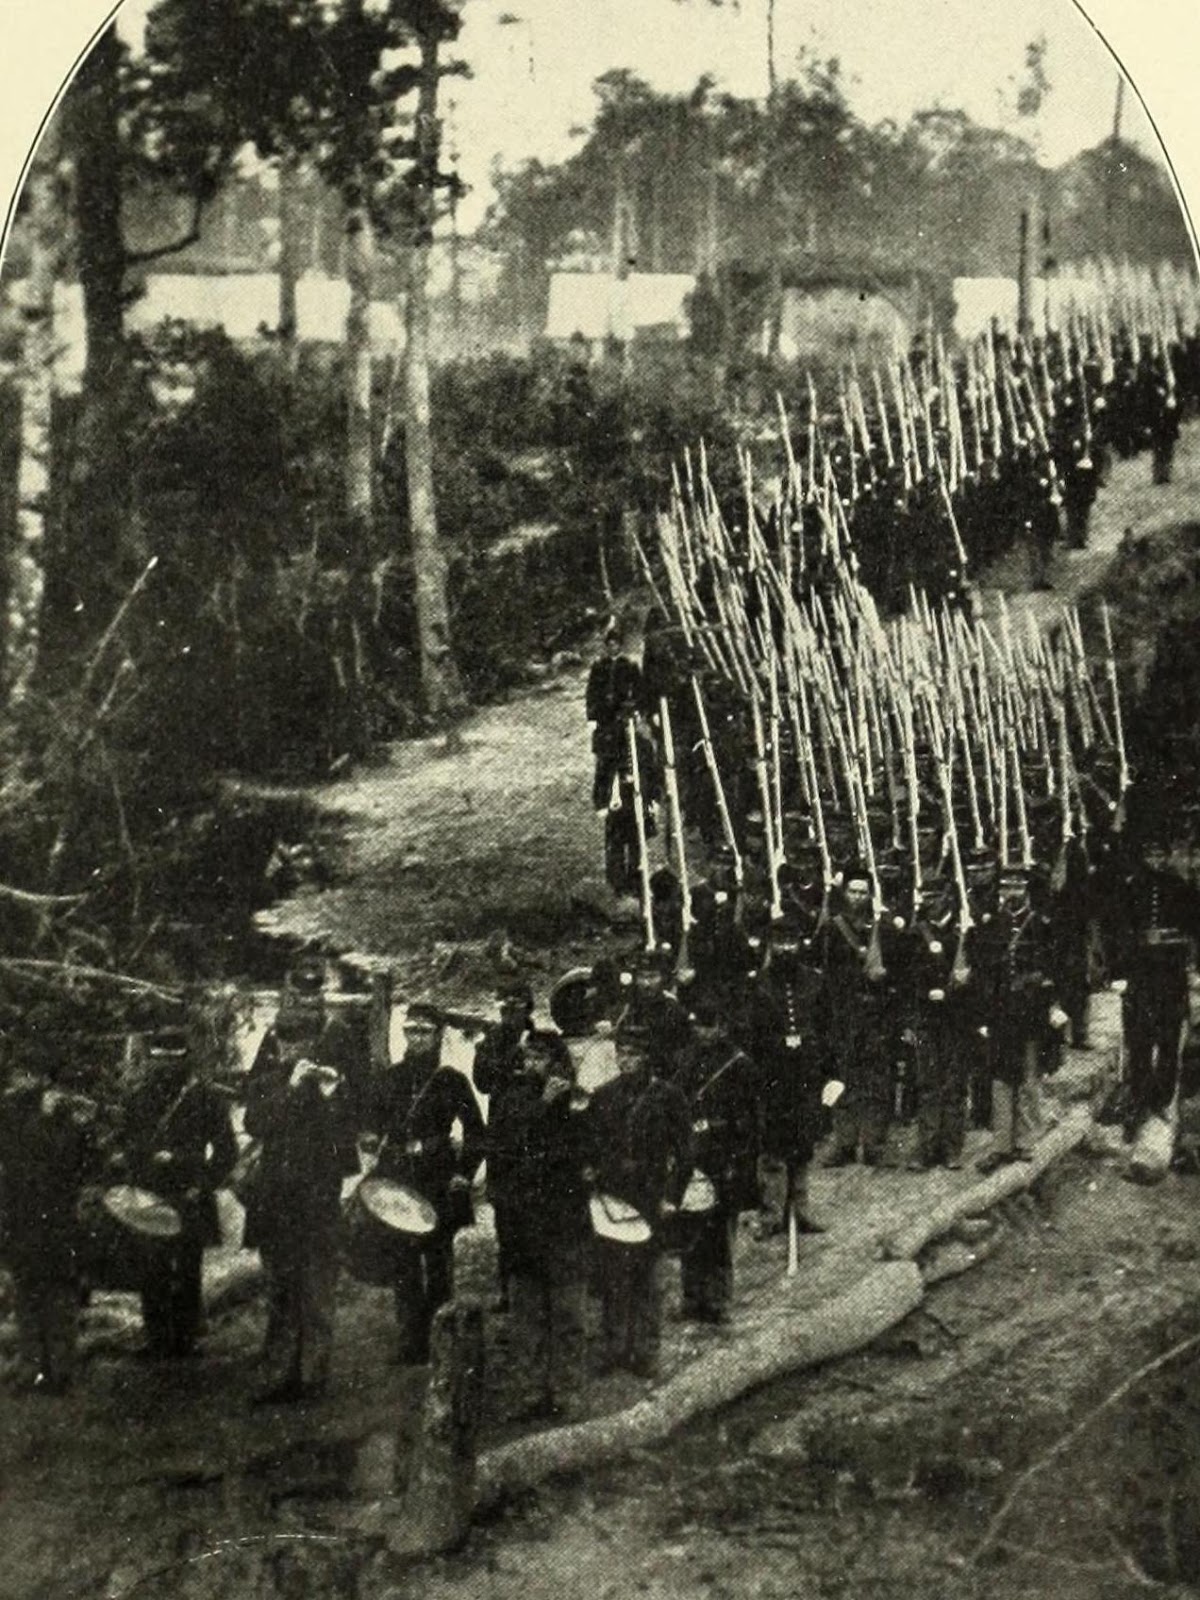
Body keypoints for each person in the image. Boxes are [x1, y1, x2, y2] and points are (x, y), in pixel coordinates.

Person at [244, 1008, 359, 1404]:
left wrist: (331, 1096)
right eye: (287, 1041)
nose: (295, 1049)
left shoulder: (332, 1085)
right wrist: (291, 1090)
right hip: (277, 1207)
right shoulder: (266, 1083)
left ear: (314, 1044)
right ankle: (280, 1376)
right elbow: (255, 1123)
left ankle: (313, 1379)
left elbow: (348, 1145)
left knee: (317, 1294)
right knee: (281, 1294)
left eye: (302, 1042)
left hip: (317, 1206)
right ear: (277, 1044)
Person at [368, 1011, 485, 1365]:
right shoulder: (390, 1078)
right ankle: (409, 1341)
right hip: (399, 1175)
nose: (417, 1038)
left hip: (437, 1178)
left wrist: (464, 1172)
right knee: (402, 1262)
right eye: (411, 1031)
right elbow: (370, 1124)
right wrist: (371, 1138)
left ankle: (439, 1340)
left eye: (425, 1032)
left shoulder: (451, 1080)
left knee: (437, 1262)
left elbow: (477, 1131)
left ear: (438, 1036)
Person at [114, 1026, 237, 1361]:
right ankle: (156, 1340)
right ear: (151, 1058)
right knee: (150, 1270)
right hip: (149, 1194)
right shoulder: (136, 1097)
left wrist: (201, 1179)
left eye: (172, 1060)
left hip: (190, 1193)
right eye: (159, 1059)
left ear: (185, 1059)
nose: (165, 1067)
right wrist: (139, 1162)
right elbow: (124, 1143)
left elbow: (227, 1151)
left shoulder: (206, 1097)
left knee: (186, 1269)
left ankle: (184, 1341)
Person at [585, 1022, 692, 1379]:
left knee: (648, 1276)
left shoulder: (669, 1097)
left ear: (647, 1057)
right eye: (621, 1054)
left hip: (651, 1194)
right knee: (613, 1274)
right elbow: (590, 1146)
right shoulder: (602, 1096)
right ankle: (614, 1347)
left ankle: (646, 1351)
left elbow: (686, 1153)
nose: (625, 1060)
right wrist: (592, 1175)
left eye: (632, 1054)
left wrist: (672, 1197)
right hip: (614, 1197)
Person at [495, 1030, 592, 1420]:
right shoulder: (511, 1099)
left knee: (569, 1312)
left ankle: (567, 1391)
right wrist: (543, 1103)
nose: (533, 1064)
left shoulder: (576, 1099)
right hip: (524, 1221)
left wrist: (565, 1104)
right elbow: (508, 1144)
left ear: (557, 1060)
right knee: (527, 1315)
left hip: (564, 1219)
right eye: (529, 1057)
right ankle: (530, 1392)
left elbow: (587, 1148)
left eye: (542, 1057)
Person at [0, 1056, 98, 1393]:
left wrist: (69, 1121)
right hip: (23, 1216)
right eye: (17, 1076)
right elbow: (17, 1155)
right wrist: (44, 1118)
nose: (20, 1083)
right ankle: (32, 1369)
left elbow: (71, 1159)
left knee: (58, 1296)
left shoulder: (62, 1114)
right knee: (28, 1296)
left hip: (55, 1219)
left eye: (27, 1075)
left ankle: (58, 1372)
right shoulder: (13, 1112)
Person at [671, 997, 761, 1324]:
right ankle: (691, 1297)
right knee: (691, 1230)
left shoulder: (740, 1065)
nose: (703, 1033)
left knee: (721, 1235)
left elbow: (750, 1120)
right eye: (697, 1026)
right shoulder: (686, 1060)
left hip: (725, 1158)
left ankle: (719, 1300)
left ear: (722, 1027)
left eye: (708, 1026)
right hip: (694, 1156)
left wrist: (722, 1130)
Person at [472, 980, 535, 1312]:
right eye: (505, 1006)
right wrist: (512, 1060)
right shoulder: (493, 1039)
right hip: (501, 1138)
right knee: (504, 1214)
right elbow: (481, 1079)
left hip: (532, 1137)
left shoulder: (541, 1040)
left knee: (532, 1212)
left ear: (529, 1008)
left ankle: (531, 1287)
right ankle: (508, 1289)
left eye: (517, 1006)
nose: (510, 1012)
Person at [586, 620, 643, 815]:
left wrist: (635, 710)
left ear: (620, 645)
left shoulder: (629, 666)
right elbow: (591, 693)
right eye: (609, 645)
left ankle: (625, 797)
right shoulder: (598, 667)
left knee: (625, 756)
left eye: (615, 644)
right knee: (603, 759)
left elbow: (638, 691)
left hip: (623, 718)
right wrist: (591, 718)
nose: (612, 648)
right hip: (604, 719)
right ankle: (601, 801)